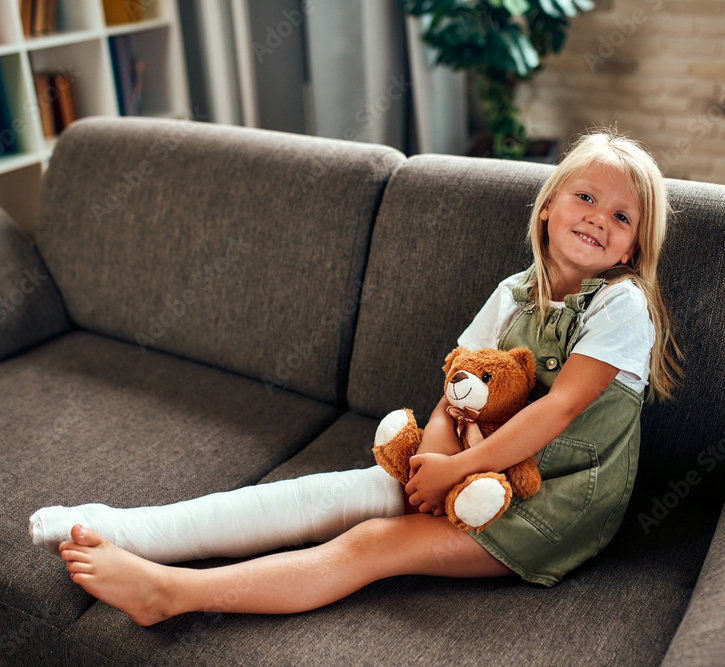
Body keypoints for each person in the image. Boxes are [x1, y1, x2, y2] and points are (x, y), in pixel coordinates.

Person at [34, 130, 681, 625]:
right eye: (585, 197)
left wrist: (457, 470)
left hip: (554, 505)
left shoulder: (621, 306)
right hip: (476, 469)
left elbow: (557, 410)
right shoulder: (513, 292)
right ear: (548, 208)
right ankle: (126, 527)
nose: (598, 218)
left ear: (631, 247)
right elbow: (456, 390)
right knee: (331, 495)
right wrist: (433, 457)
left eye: (621, 216)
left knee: (371, 543)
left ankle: (169, 593)